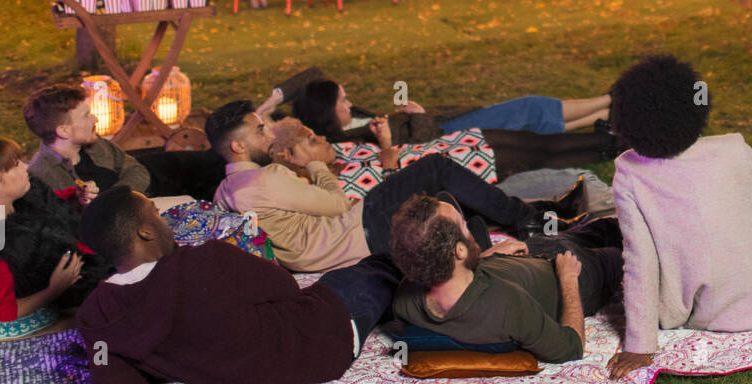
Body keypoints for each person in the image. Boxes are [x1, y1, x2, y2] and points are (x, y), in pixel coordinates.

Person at [604, 55, 752, 380]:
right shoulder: (732, 148)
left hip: (728, 313)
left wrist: (639, 345)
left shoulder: (630, 172)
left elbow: (640, 261)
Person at [77, 184, 402, 384]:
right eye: (156, 214)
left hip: (269, 368)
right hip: (326, 340)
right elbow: (286, 287)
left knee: (350, 279)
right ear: (145, 232)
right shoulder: (205, 260)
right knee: (379, 268)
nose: (166, 221)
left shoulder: (98, 316)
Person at [205, 101, 587, 274]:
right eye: (259, 130)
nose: (268, 133)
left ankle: (533, 223)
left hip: (333, 246)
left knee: (443, 202)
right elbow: (338, 203)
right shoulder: (264, 179)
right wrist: (315, 164)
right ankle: (531, 222)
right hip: (354, 234)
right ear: (238, 146)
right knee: (436, 167)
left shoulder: (225, 191)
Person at [387, 192, 624, 363]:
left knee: (596, 231)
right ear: (459, 251)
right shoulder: (506, 305)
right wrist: (569, 279)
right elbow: (571, 348)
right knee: (622, 246)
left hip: (533, 251)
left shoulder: (406, 297)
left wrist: (488, 255)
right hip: (575, 274)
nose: (469, 228)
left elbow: (454, 282)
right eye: (463, 226)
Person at [0, 136, 107, 321]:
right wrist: (53, 290)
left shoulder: (18, 198)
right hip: (87, 282)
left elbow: (50, 207)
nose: (25, 166)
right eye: (15, 164)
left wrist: (76, 198)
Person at [292, 78, 616, 178]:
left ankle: (606, 110)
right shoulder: (344, 142)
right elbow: (414, 153)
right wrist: (416, 115)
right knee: (529, 110)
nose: (349, 104)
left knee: (529, 111)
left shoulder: (353, 121)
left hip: (444, 124)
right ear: (326, 116)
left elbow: (308, 75)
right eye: (342, 103)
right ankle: (608, 104)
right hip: (446, 137)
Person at [23, 83, 151, 195]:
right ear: (64, 131)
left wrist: (114, 198)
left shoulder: (94, 144)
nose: (95, 119)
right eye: (86, 116)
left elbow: (137, 171)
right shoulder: (44, 175)